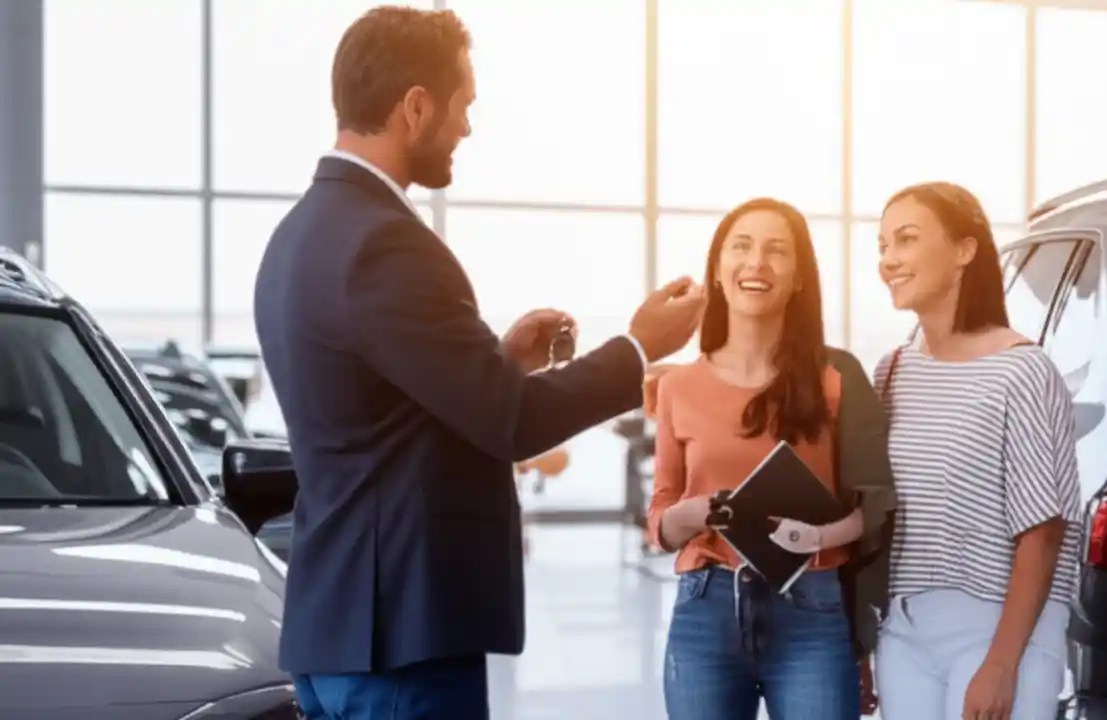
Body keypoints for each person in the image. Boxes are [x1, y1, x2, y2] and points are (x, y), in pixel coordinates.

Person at [252, 7, 706, 719]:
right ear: (416, 107)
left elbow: (374, 414)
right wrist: (641, 345)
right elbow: (514, 422)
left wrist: (497, 361)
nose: (468, 126)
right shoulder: (388, 244)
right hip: (402, 641)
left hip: (336, 633)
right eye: (464, 105)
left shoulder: (298, 236)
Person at [646, 197, 886, 720]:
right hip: (704, 608)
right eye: (742, 246)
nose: (757, 262)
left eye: (777, 250)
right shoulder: (677, 388)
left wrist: (820, 538)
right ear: (716, 270)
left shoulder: (835, 379)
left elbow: (875, 507)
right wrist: (687, 516)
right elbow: (660, 517)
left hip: (814, 609)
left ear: (799, 278)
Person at [869, 182, 1083, 720]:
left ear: (965, 251)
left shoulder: (1022, 370)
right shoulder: (891, 372)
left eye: (906, 240)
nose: (889, 260)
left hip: (999, 630)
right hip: (905, 632)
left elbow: (1044, 529)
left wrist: (1002, 665)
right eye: (882, 246)